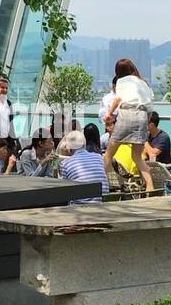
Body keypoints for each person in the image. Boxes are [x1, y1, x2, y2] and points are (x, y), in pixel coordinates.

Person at [102, 59, 155, 192]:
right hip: (142, 116)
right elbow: (150, 107)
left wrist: (109, 113)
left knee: (108, 154)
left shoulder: (121, 81)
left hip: (127, 114)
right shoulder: (143, 83)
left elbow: (118, 99)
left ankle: (105, 183)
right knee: (137, 157)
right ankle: (150, 187)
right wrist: (145, 123)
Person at [58, 130, 109, 204]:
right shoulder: (99, 157)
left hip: (80, 206)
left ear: (69, 148)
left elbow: (63, 192)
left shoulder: (65, 164)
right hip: (103, 204)